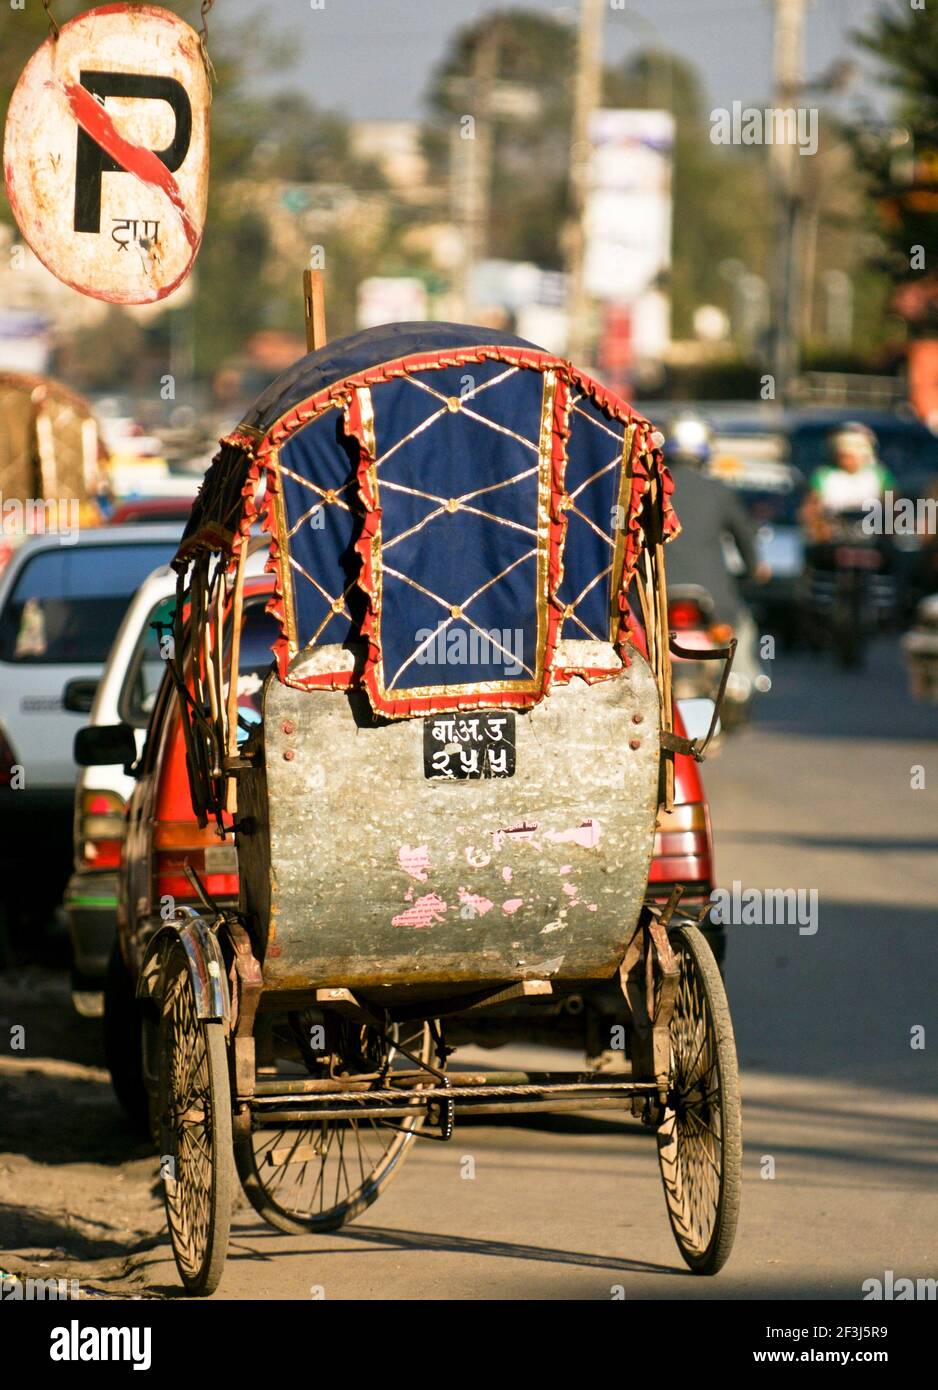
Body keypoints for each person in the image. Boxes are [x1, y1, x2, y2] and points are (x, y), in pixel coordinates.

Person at [662, 413, 770, 702]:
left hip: (654, 597)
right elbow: (745, 537)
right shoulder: (719, 490)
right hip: (715, 596)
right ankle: (739, 682)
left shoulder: (648, 489)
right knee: (743, 625)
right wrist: (754, 570)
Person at [800, 421, 893, 543]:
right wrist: (820, 530)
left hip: (873, 538)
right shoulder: (823, 475)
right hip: (833, 539)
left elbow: (894, 508)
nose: (848, 459)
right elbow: (810, 510)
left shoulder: (880, 475)